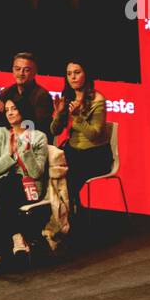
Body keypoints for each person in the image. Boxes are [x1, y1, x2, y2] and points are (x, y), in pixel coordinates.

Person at [0, 96, 49, 276]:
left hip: (28, 186)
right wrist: (9, 154)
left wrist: (26, 151)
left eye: (14, 108)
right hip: (1, 184)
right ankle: (17, 237)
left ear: (23, 110)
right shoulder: (0, 133)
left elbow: (36, 173)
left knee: (3, 201)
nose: (10, 113)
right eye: (7, 109)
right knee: (5, 186)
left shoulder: (38, 136)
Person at [50, 60, 111, 224]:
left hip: (95, 155)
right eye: (69, 74)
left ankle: (68, 220)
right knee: (51, 170)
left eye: (77, 72)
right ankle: (68, 216)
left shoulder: (98, 99)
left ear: (86, 74)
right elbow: (55, 131)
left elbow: (94, 135)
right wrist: (59, 114)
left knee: (68, 178)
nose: (73, 77)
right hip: (74, 151)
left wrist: (77, 117)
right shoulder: (68, 98)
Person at [0, 52, 53, 137]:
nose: (21, 73)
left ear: (35, 72)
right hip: (9, 139)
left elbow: (42, 129)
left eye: (26, 70)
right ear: (13, 70)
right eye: (17, 69)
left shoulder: (42, 96)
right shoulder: (5, 93)